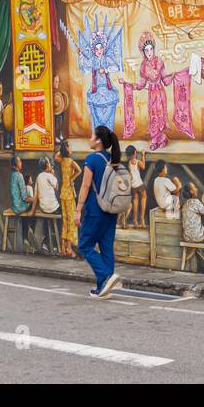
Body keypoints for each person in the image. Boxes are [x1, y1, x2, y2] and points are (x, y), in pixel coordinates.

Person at [75, 123, 124, 298]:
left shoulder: (92, 159)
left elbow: (85, 185)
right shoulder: (113, 159)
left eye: (91, 136)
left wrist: (78, 209)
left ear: (98, 141)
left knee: (85, 245)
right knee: (106, 247)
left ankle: (106, 276)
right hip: (111, 211)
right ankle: (103, 287)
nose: (89, 139)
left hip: (95, 210)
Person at [129, 32, 175, 149]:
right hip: (151, 94)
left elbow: (165, 80)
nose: (149, 52)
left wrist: (173, 76)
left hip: (160, 92)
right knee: (153, 115)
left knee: (160, 114)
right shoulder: (143, 66)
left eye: (151, 49)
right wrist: (130, 85)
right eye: (147, 50)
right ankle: (155, 139)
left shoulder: (160, 62)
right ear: (143, 52)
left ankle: (162, 138)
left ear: (154, 49)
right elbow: (142, 83)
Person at [9, 154, 43, 253]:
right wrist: (35, 199)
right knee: (33, 210)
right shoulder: (19, 176)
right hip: (20, 206)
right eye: (19, 161)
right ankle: (30, 231)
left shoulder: (13, 175)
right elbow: (24, 198)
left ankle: (26, 239)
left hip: (15, 206)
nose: (21, 163)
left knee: (25, 217)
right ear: (15, 165)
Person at [55, 140, 79, 257]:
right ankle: (69, 249)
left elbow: (56, 156)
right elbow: (79, 170)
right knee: (71, 221)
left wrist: (63, 150)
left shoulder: (61, 160)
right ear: (67, 149)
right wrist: (72, 179)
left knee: (65, 220)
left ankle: (63, 248)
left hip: (63, 193)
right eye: (70, 146)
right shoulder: (70, 161)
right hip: (69, 193)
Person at [124, 145, 147, 228]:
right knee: (144, 197)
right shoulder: (137, 162)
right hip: (139, 184)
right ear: (135, 153)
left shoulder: (129, 163)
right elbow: (143, 166)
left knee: (135, 200)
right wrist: (143, 155)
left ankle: (135, 220)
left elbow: (130, 174)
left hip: (133, 185)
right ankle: (142, 218)